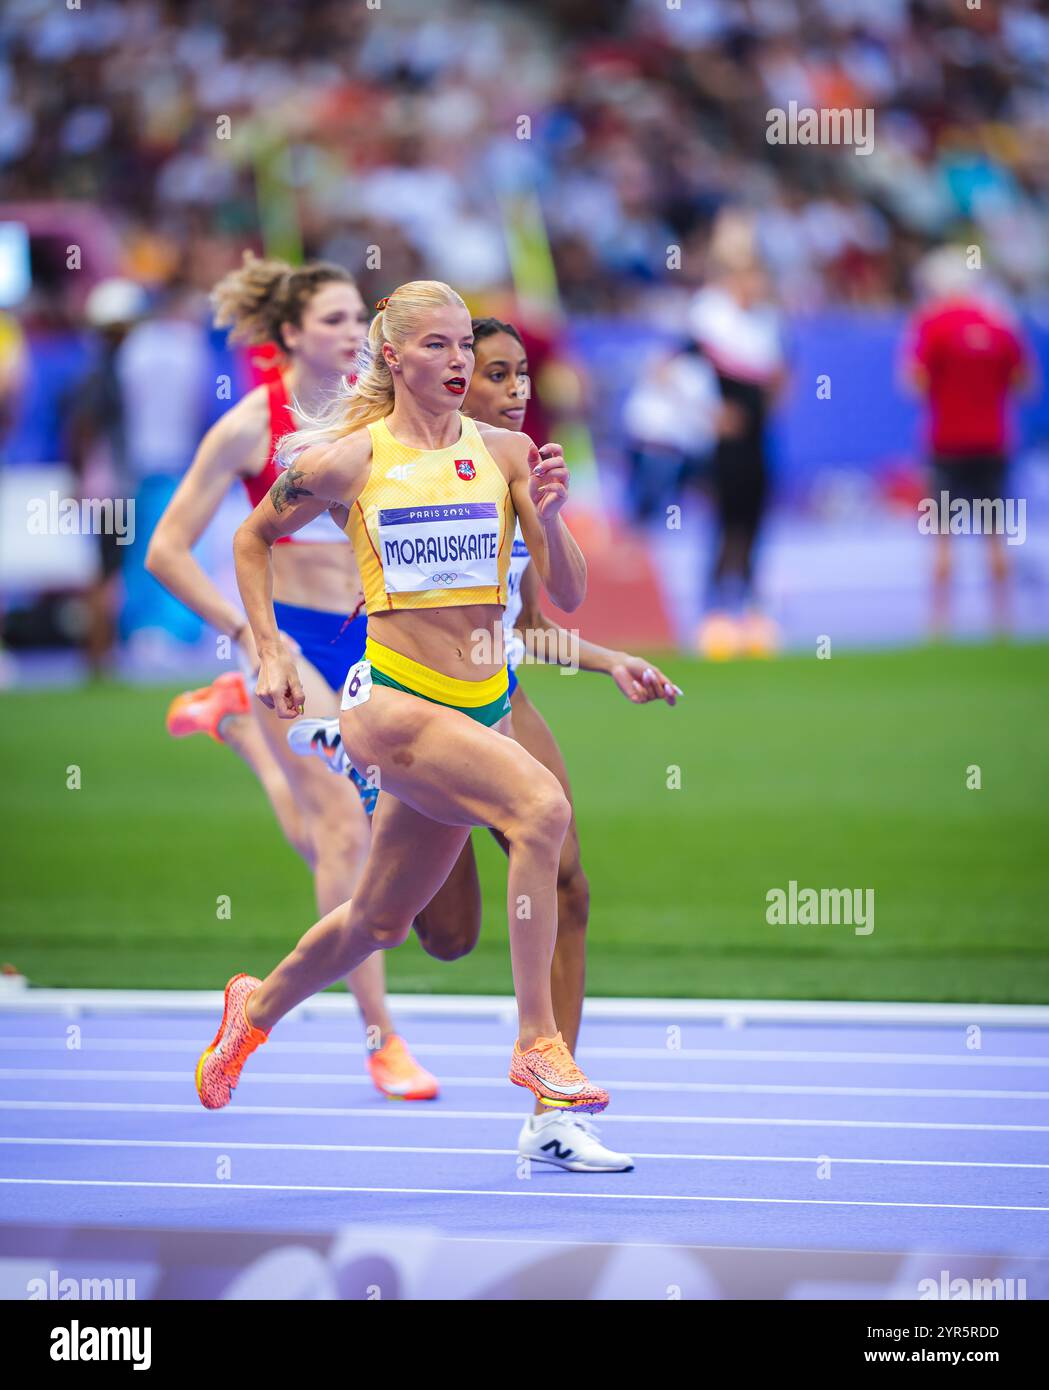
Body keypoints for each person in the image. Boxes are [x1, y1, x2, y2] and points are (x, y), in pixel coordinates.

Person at [196, 279, 610, 1118]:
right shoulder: (351, 457)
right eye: (436, 347)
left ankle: (255, 1009)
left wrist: (555, 517)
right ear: (392, 355)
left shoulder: (506, 453)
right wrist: (268, 650)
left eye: (465, 346)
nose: (458, 361)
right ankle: (537, 1042)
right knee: (540, 809)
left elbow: (563, 593)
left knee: (378, 922)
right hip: (392, 705)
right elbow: (251, 537)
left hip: (481, 700)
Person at [292, 317, 682, 1171]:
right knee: (443, 936)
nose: (508, 388)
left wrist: (611, 659)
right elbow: (305, 532)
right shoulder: (409, 459)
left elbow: (537, 624)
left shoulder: (513, 464)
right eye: (489, 370)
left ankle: (552, 1104)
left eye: (516, 375)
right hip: (420, 705)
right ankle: (372, 770)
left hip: (500, 689)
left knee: (569, 875)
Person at [146, 253, 439, 1100]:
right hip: (289, 643)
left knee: (338, 832)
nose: (353, 335)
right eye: (335, 321)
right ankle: (383, 1040)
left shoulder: (379, 416)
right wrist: (250, 634)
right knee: (345, 827)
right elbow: (166, 550)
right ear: (287, 337)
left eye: (360, 320)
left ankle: (240, 730)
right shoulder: (247, 424)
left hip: (373, 642)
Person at [903, 247, 1034, 635]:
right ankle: (1003, 621)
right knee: (995, 535)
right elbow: (1024, 383)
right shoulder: (1000, 324)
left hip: (946, 443)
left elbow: (914, 382)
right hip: (993, 441)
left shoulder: (932, 324)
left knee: (942, 536)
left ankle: (939, 624)